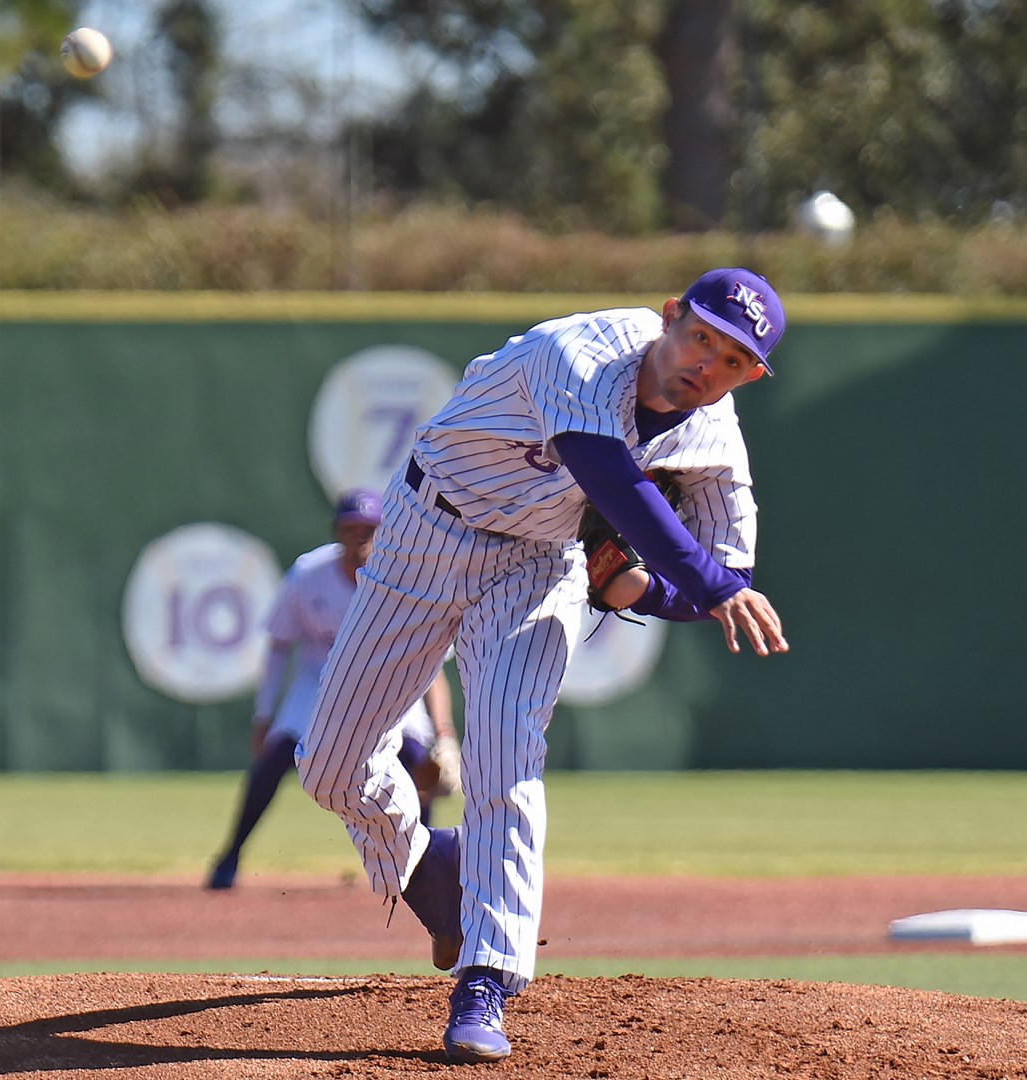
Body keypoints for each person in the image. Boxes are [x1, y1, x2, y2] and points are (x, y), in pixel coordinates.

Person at [297, 268, 791, 1064]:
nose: (709, 364)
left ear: (751, 377)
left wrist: (645, 586)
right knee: (328, 766)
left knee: (504, 753)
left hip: (538, 565)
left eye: (735, 361)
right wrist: (701, 580)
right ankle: (429, 866)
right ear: (671, 317)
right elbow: (608, 474)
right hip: (429, 528)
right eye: (702, 337)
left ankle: (487, 979)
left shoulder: (713, 437)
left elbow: (725, 576)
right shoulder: (583, 351)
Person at [207, 489, 460, 891]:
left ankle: (421, 866)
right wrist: (264, 715)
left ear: (384, 529)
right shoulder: (309, 574)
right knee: (273, 761)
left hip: (391, 683)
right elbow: (278, 644)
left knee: (417, 761)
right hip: (318, 682)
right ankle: (230, 855)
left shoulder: (407, 575)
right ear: (337, 531)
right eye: (350, 527)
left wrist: (444, 731)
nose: (359, 535)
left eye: (368, 527)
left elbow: (431, 667)